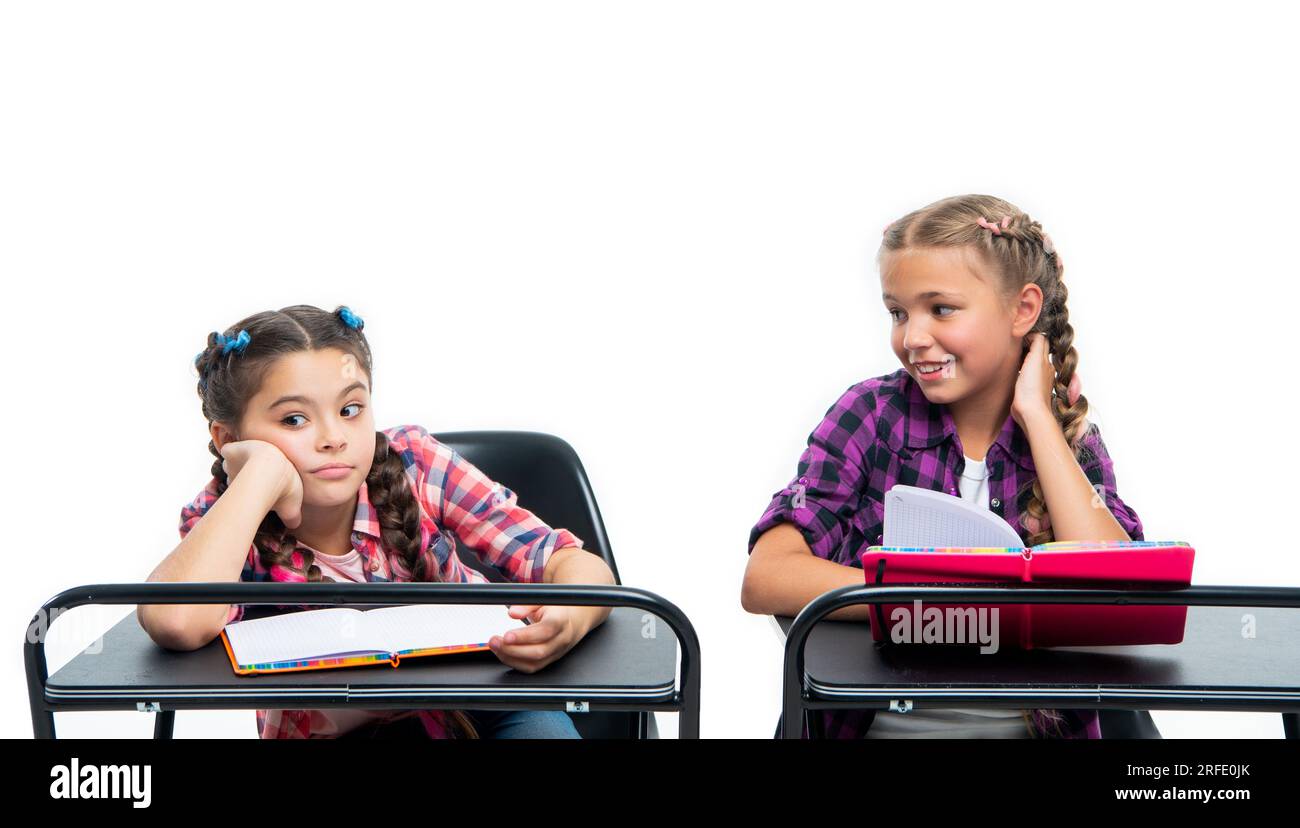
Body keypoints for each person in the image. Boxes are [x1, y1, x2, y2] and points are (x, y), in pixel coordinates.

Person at [742, 194, 1145, 739]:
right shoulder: (869, 417)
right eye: (898, 312)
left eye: (942, 309)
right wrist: (935, 603)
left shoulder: (1069, 438)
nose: (912, 338)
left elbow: (1122, 597)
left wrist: (1038, 419)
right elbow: (767, 578)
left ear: (1022, 310)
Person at [139, 304, 615, 739]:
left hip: (481, 709)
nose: (332, 437)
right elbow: (175, 621)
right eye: (293, 420)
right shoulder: (227, 512)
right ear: (229, 438)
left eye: (350, 410)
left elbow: (573, 564)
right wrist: (257, 477)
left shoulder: (417, 464)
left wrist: (570, 619)